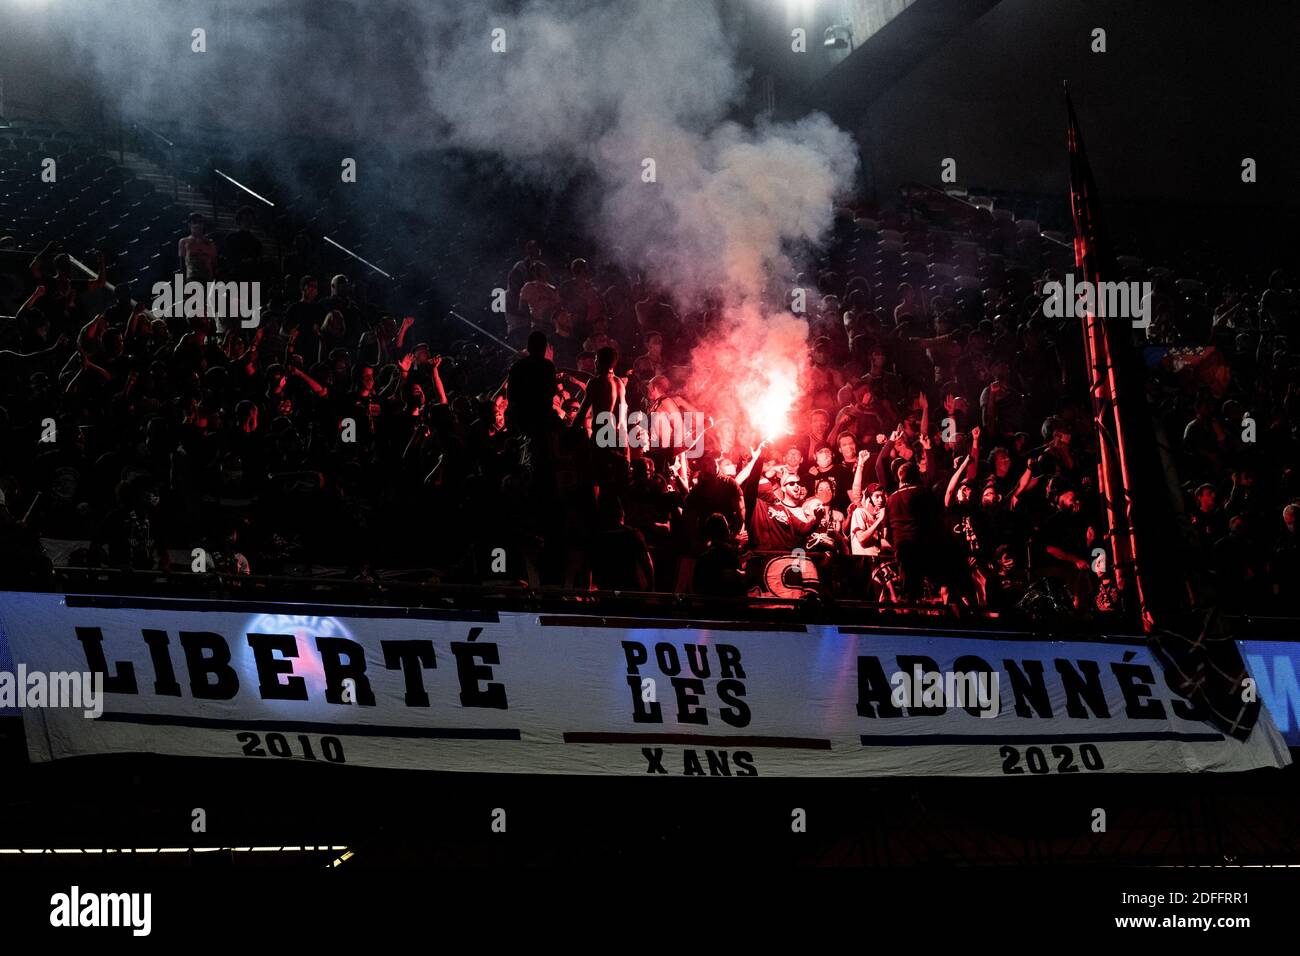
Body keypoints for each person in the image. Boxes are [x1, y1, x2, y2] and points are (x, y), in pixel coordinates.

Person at [885, 461, 945, 602]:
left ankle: (910, 618)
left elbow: (887, 531)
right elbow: (934, 519)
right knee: (932, 588)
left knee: (910, 590)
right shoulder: (923, 492)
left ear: (900, 478)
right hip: (923, 543)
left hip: (902, 547)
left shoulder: (891, 499)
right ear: (916, 475)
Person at [506, 331, 558, 437]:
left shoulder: (517, 366)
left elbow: (510, 394)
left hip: (522, 416)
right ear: (544, 348)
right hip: (542, 416)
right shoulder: (548, 366)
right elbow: (552, 391)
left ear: (529, 347)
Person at [178, 213, 217, 283]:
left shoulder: (210, 243)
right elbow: (182, 263)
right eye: (195, 222)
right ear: (189, 224)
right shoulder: (184, 241)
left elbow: (214, 263)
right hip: (191, 278)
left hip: (207, 278)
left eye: (200, 222)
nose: (198, 225)